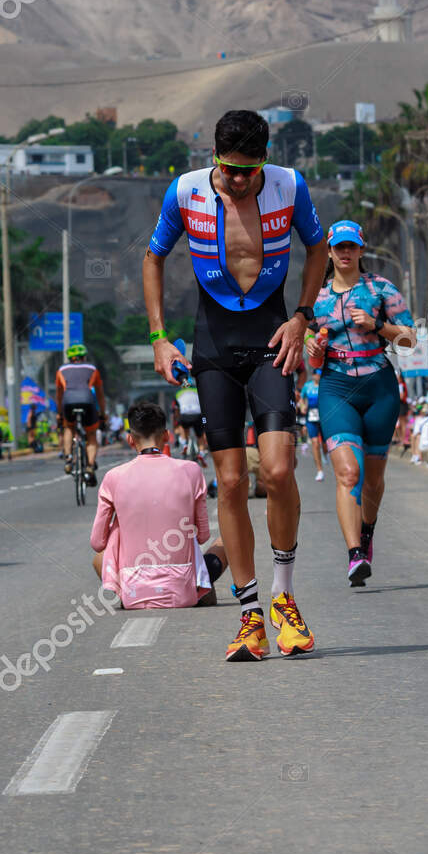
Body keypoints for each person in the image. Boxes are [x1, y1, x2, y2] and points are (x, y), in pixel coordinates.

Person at [143, 108, 325, 661]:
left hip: (272, 339)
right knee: (227, 482)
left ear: (264, 161)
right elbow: (153, 257)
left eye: (250, 171)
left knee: (276, 469)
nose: (240, 181)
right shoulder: (186, 191)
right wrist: (158, 336)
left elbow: (316, 247)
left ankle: (283, 597)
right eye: (230, 170)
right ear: (213, 159)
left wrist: (302, 315)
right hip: (214, 347)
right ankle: (249, 615)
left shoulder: (290, 186)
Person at [304, 220, 414, 585]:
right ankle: (355, 556)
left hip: (379, 386)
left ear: (361, 250)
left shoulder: (381, 288)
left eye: (352, 246)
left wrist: (377, 324)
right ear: (330, 252)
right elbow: (312, 361)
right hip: (336, 387)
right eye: (339, 247)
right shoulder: (315, 300)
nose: (346, 253)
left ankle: (367, 533)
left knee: (373, 479)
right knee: (349, 472)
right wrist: (314, 349)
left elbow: (411, 339)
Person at [91, 400, 227, 610]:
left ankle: (132, 589)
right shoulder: (191, 471)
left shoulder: (113, 477)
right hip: (183, 590)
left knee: (100, 556)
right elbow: (203, 536)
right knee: (226, 541)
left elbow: (97, 542)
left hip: (133, 594)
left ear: (130, 439)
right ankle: (201, 588)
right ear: (166, 436)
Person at [56, 343, 105, 485]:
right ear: (84, 357)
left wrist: (60, 413)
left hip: (68, 401)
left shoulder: (61, 370)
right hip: (87, 400)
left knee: (69, 428)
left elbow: (59, 395)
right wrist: (102, 414)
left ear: (70, 358)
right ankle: (90, 465)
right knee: (91, 435)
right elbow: (100, 395)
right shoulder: (92, 369)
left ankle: (69, 458)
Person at [299, 371, 325, 480]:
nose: (317, 377)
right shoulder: (307, 386)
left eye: (319, 375)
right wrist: (302, 406)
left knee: (326, 443)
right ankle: (320, 470)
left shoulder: (325, 385)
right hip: (311, 417)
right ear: (313, 375)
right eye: (315, 375)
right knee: (314, 443)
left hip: (324, 416)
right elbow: (301, 399)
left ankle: (326, 454)